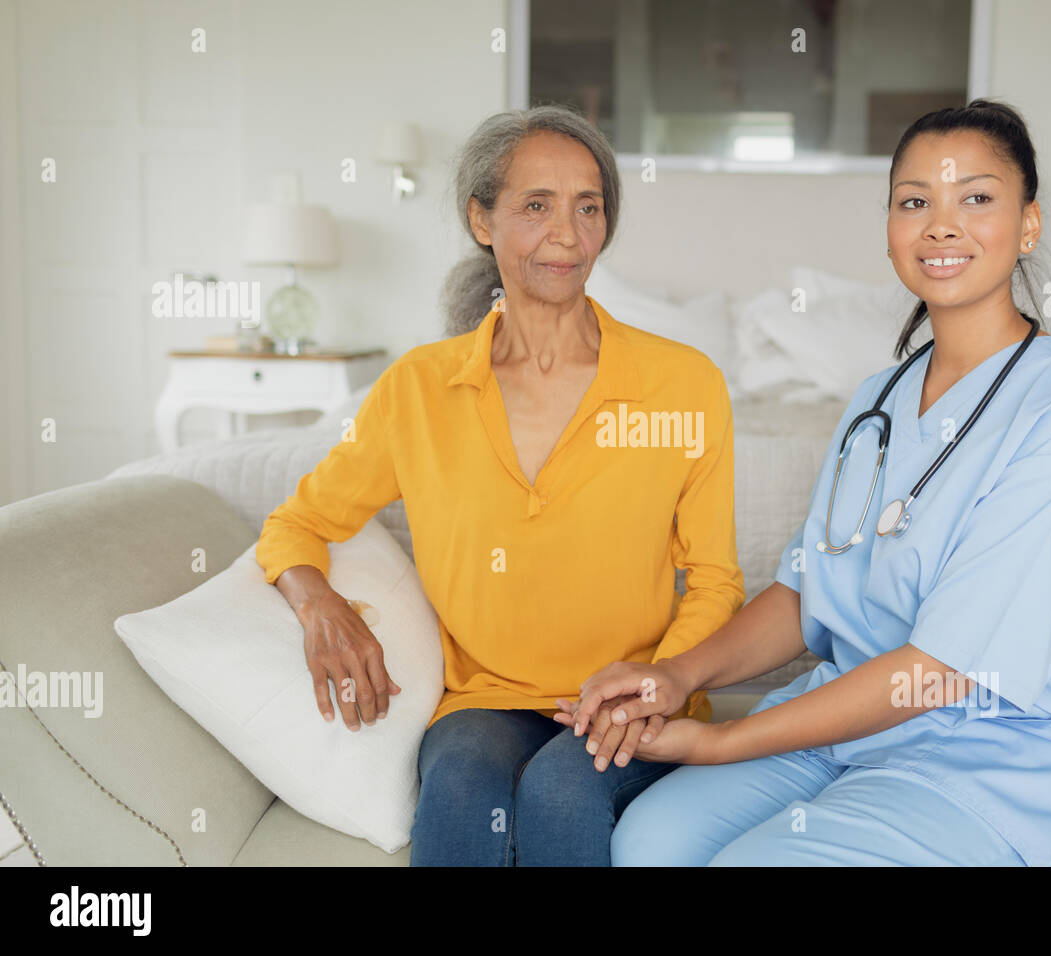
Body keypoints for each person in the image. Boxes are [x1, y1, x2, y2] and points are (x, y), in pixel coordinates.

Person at [560, 99, 1051, 867]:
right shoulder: (878, 399)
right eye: (915, 202)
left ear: (1028, 225)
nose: (942, 226)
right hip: (845, 731)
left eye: (976, 198)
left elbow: (940, 672)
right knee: (646, 844)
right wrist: (673, 675)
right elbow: (808, 593)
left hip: (987, 761)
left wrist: (721, 739)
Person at [255, 105, 744, 866]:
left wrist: (658, 680)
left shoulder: (684, 384)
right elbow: (296, 522)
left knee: (561, 791)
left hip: (635, 694)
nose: (568, 234)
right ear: (481, 219)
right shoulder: (418, 388)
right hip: (485, 698)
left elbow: (715, 580)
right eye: (536, 206)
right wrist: (316, 604)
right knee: (459, 788)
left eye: (588, 207)